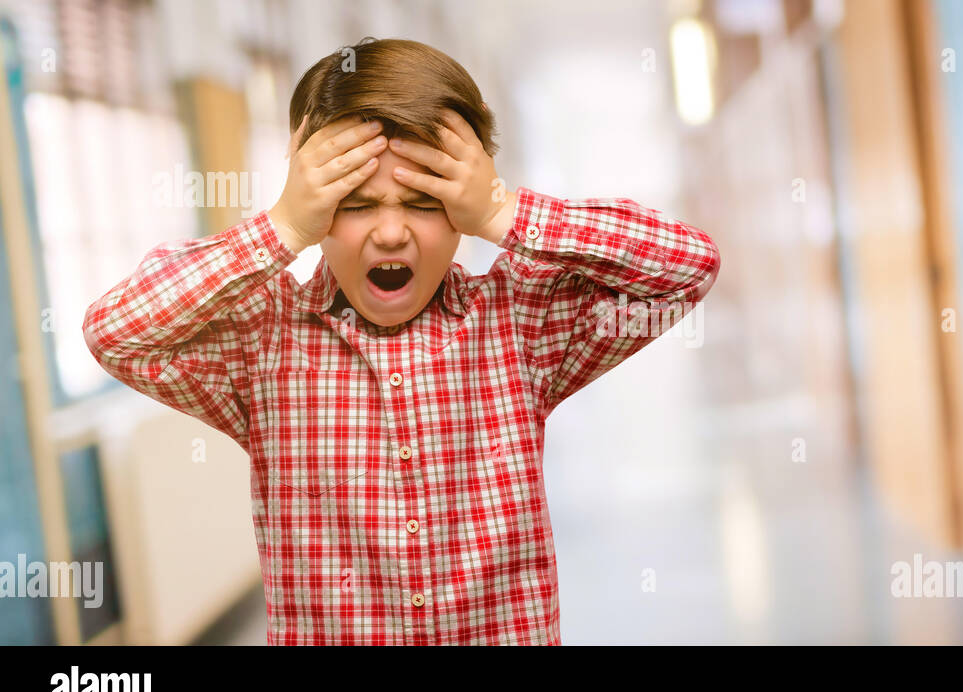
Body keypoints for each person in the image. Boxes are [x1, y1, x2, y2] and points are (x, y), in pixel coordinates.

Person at [82, 37, 720, 645]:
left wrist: (506, 211)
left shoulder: (519, 323)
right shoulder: (264, 341)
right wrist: (279, 228)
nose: (390, 233)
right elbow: (118, 333)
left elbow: (687, 267)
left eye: (425, 200)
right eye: (355, 204)